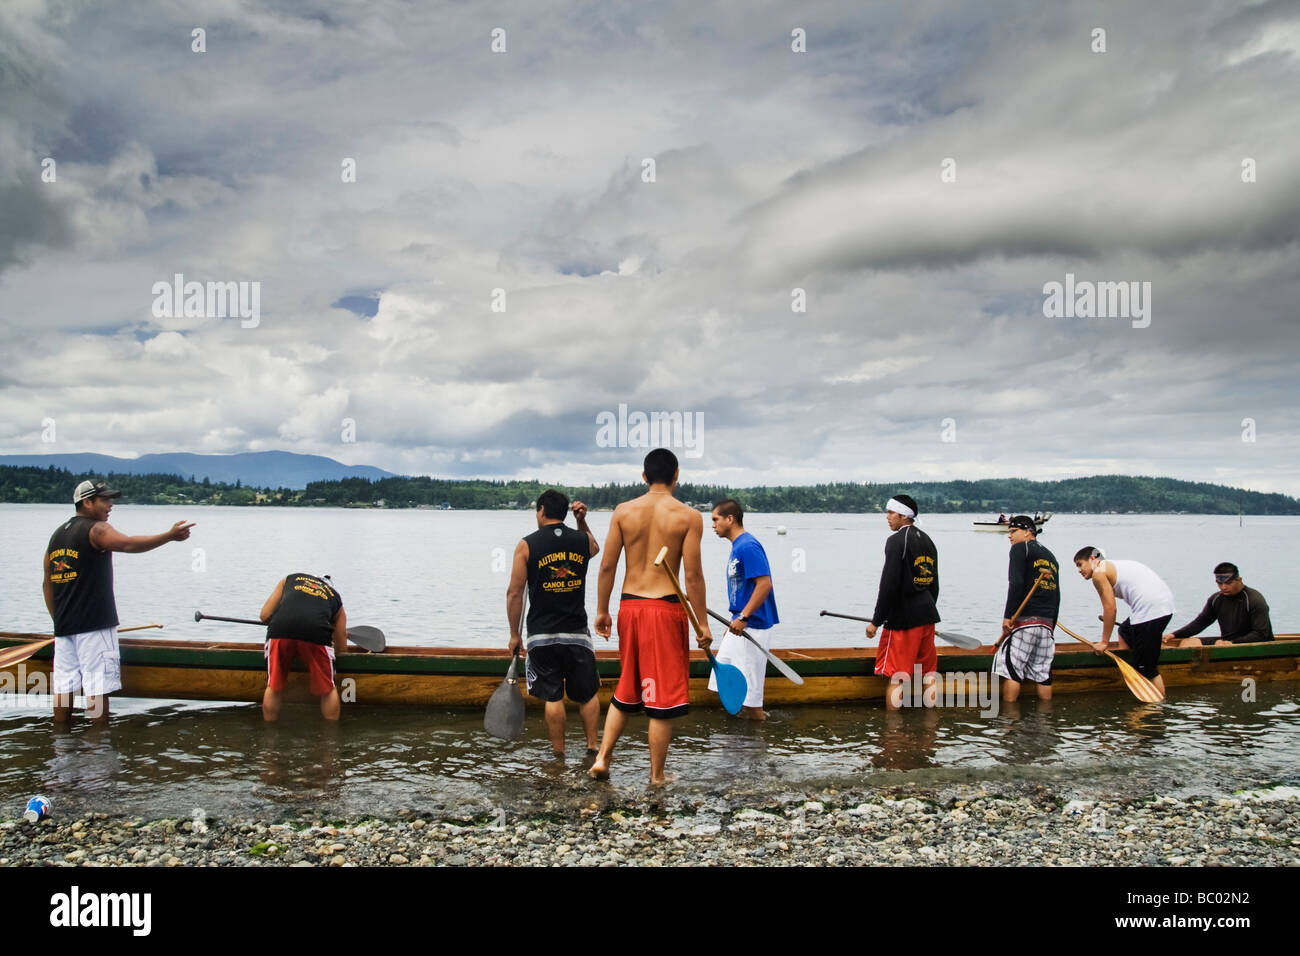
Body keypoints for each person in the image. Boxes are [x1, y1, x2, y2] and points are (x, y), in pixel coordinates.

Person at [588, 448, 712, 785]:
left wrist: (601, 609)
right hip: (665, 608)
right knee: (664, 697)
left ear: (644, 477)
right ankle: (657, 776)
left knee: (627, 689)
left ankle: (602, 758)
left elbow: (608, 566)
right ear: (676, 476)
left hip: (629, 606)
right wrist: (701, 623)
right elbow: (693, 577)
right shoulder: (687, 516)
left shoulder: (623, 512)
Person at [42, 479, 194, 723]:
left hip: (64, 630)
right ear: (87, 502)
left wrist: (59, 620)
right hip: (94, 627)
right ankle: (100, 750)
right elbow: (128, 544)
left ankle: (61, 746)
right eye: (105, 500)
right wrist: (169, 536)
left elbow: (47, 583)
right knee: (97, 690)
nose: (111, 504)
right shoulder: (97, 529)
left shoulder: (57, 535)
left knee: (63, 689)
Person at [506, 489, 601, 759]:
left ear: (541, 511)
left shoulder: (526, 544)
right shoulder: (581, 540)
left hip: (541, 634)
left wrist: (514, 635)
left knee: (553, 697)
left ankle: (558, 754)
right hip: (577, 634)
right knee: (587, 694)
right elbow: (594, 547)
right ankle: (593, 747)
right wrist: (581, 521)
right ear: (564, 513)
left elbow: (515, 592)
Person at [865, 494, 939, 709]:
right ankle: (930, 724)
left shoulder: (896, 541)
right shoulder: (927, 540)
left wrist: (876, 622)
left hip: (903, 620)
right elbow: (934, 584)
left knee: (897, 677)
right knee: (928, 675)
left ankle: (892, 734)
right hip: (927, 616)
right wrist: (926, 609)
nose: (887, 517)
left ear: (903, 516)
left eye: (890, 513)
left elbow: (888, 585)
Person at [708, 499, 779, 720]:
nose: (713, 525)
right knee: (729, 688)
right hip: (739, 625)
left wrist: (744, 616)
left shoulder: (748, 546)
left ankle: (756, 743)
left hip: (754, 626)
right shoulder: (737, 546)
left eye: (715, 519)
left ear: (730, 519)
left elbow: (764, 584)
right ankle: (736, 744)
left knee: (751, 698)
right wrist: (734, 621)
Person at [1073, 547, 1174, 696]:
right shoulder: (1111, 566)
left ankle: (1156, 707)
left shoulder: (1099, 573)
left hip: (1151, 610)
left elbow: (1110, 609)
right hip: (1161, 605)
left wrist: (1104, 642)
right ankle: (1134, 665)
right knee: (1125, 631)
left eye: (1080, 564)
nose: (1079, 570)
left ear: (1092, 559)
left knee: (1147, 669)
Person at [259, 572, 348, 721]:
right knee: (328, 690)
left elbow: (264, 615)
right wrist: (333, 647)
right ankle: (332, 734)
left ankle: (269, 730)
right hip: (316, 633)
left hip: (280, 630)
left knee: (273, 686)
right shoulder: (336, 599)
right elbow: (342, 645)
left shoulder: (290, 579)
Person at [992, 515, 1060, 701]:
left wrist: (1008, 617)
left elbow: (1015, 583)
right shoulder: (1051, 556)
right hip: (1046, 625)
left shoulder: (1020, 548)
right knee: (1043, 676)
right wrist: (1051, 624)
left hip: (1025, 622)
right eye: (1009, 532)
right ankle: (1045, 720)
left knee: (1012, 671)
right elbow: (1057, 594)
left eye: (1014, 531)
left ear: (1028, 532)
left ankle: (1009, 724)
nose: (1010, 536)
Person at [1163, 563, 1273, 647]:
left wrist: (1232, 642)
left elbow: (1261, 634)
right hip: (1226, 643)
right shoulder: (1216, 599)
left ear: (1239, 580)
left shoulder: (1254, 600)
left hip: (1253, 645)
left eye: (1228, 583)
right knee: (1189, 642)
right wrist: (1175, 635)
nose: (1223, 587)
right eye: (1220, 583)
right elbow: (1201, 622)